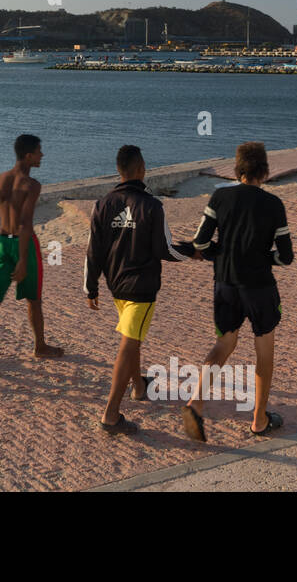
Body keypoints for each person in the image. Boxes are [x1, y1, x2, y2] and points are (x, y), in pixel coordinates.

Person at [181, 142, 293, 440]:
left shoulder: (220, 197)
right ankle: (259, 419)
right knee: (264, 352)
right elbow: (285, 256)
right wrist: (260, 257)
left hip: (225, 284)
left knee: (224, 344)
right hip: (259, 287)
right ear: (265, 170)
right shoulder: (274, 205)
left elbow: (200, 243)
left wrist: (221, 253)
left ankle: (196, 403)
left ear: (238, 169)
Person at [83, 145, 197, 435]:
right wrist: (194, 251)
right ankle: (110, 415)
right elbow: (166, 249)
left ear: (120, 170)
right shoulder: (152, 205)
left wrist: (91, 287)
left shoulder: (103, 203)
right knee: (129, 342)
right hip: (142, 288)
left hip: (116, 285)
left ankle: (138, 386)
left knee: (132, 337)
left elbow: (92, 250)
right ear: (142, 168)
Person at [0, 134, 63, 373]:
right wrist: (23, 260)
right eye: (39, 151)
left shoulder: (0, 179)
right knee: (34, 299)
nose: (42, 155)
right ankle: (40, 346)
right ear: (28, 155)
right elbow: (25, 223)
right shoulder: (31, 185)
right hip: (22, 245)